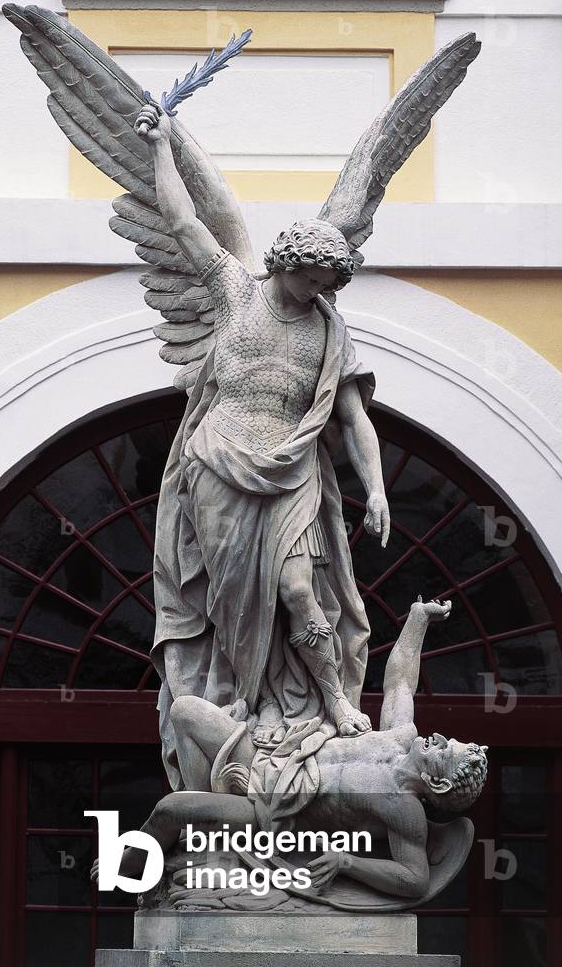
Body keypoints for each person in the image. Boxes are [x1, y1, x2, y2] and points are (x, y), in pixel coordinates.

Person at [137, 103, 390, 787]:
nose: (321, 292)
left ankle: (335, 700)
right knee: (229, 599)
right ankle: (242, 700)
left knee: (298, 589)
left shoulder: (329, 331)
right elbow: (185, 223)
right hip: (221, 461)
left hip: (294, 470)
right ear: (289, 263)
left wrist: (374, 488)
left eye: (330, 285)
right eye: (314, 279)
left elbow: (350, 416)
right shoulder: (232, 291)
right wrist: (161, 145)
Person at [109, 597, 487, 902]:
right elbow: (401, 682)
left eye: (445, 751)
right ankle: (204, 832)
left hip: (268, 813)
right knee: (186, 710)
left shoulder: (403, 809)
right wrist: (418, 618)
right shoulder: (401, 735)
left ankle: (136, 862)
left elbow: (414, 880)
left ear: (435, 784)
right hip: (270, 759)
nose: (440, 738)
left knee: (169, 808)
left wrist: (347, 862)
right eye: (448, 739)